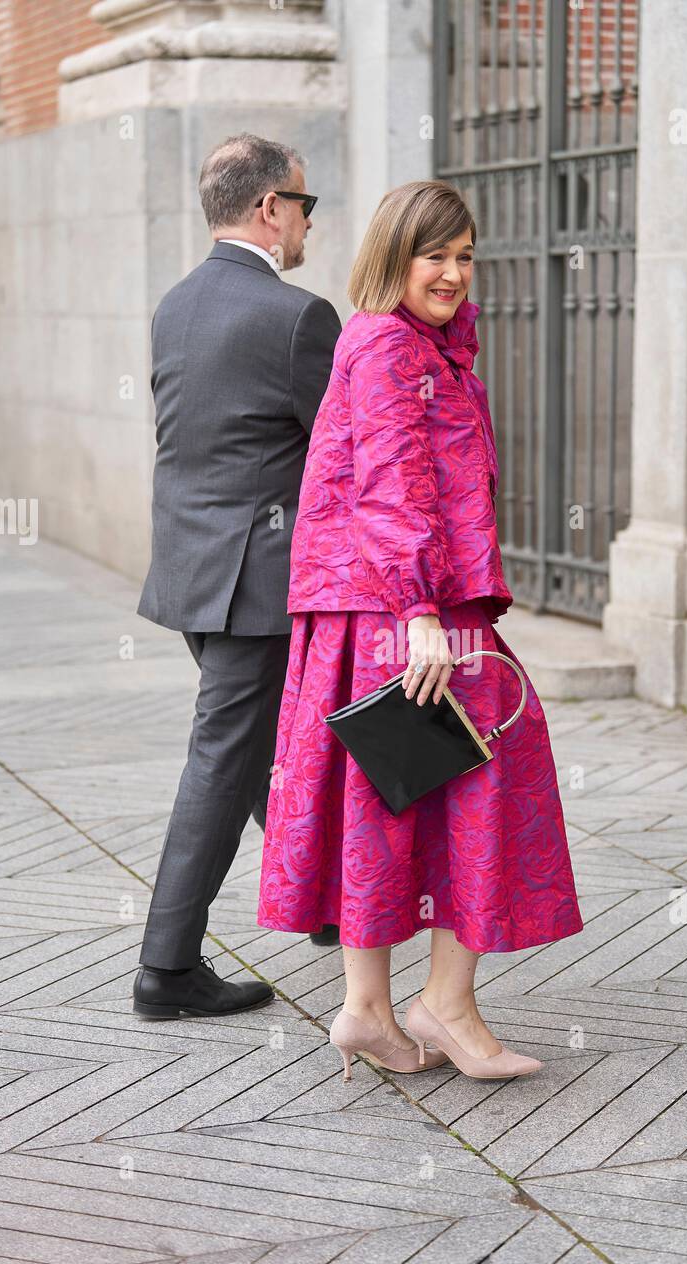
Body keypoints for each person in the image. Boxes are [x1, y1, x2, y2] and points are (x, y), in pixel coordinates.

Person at [258, 180, 584, 1078]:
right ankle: (444, 1006)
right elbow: (393, 486)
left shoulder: (417, 346)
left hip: (385, 609)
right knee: (492, 777)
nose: (451, 271)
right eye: (434, 254)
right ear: (394, 257)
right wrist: (421, 618)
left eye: (465, 255)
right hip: (410, 610)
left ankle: (368, 1008)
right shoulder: (390, 347)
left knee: (386, 795)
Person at [133, 133, 341, 1021]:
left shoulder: (175, 305)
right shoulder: (297, 316)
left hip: (189, 569)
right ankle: (168, 968)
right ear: (268, 209)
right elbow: (342, 458)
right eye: (304, 203)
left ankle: (328, 899)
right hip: (255, 577)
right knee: (225, 757)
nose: (305, 222)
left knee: (252, 750)